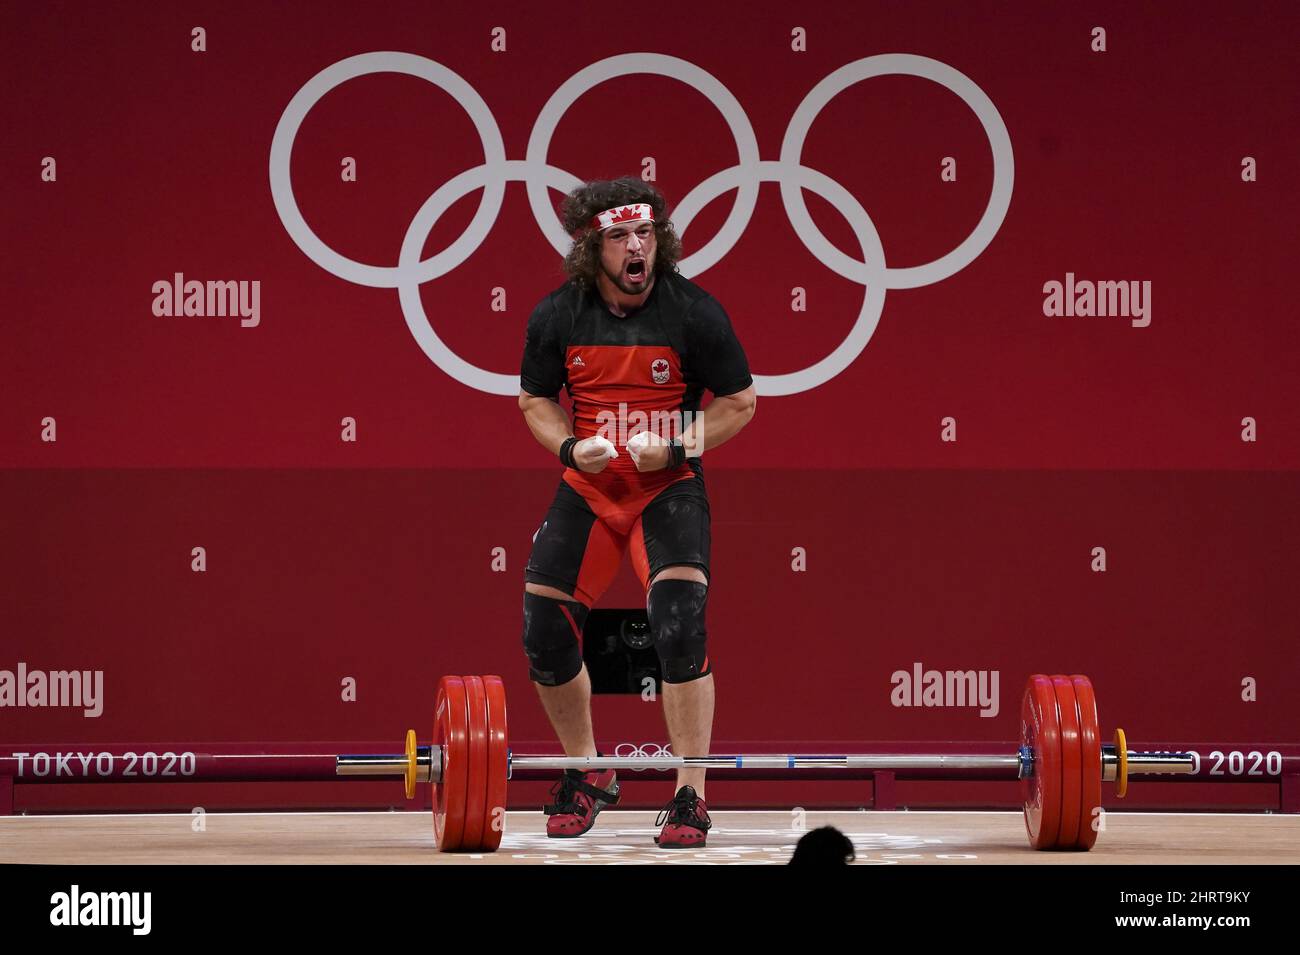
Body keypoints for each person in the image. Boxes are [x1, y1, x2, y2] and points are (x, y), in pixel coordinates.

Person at [517, 176, 756, 847]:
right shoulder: (555, 316)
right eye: (620, 235)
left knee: (679, 622)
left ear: (661, 240)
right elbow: (533, 400)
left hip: (667, 487)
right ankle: (589, 773)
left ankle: (690, 793)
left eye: (646, 233)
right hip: (591, 488)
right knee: (543, 627)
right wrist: (568, 443)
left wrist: (678, 443)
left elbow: (739, 401)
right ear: (591, 248)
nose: (636, 247)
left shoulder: (694, 313)